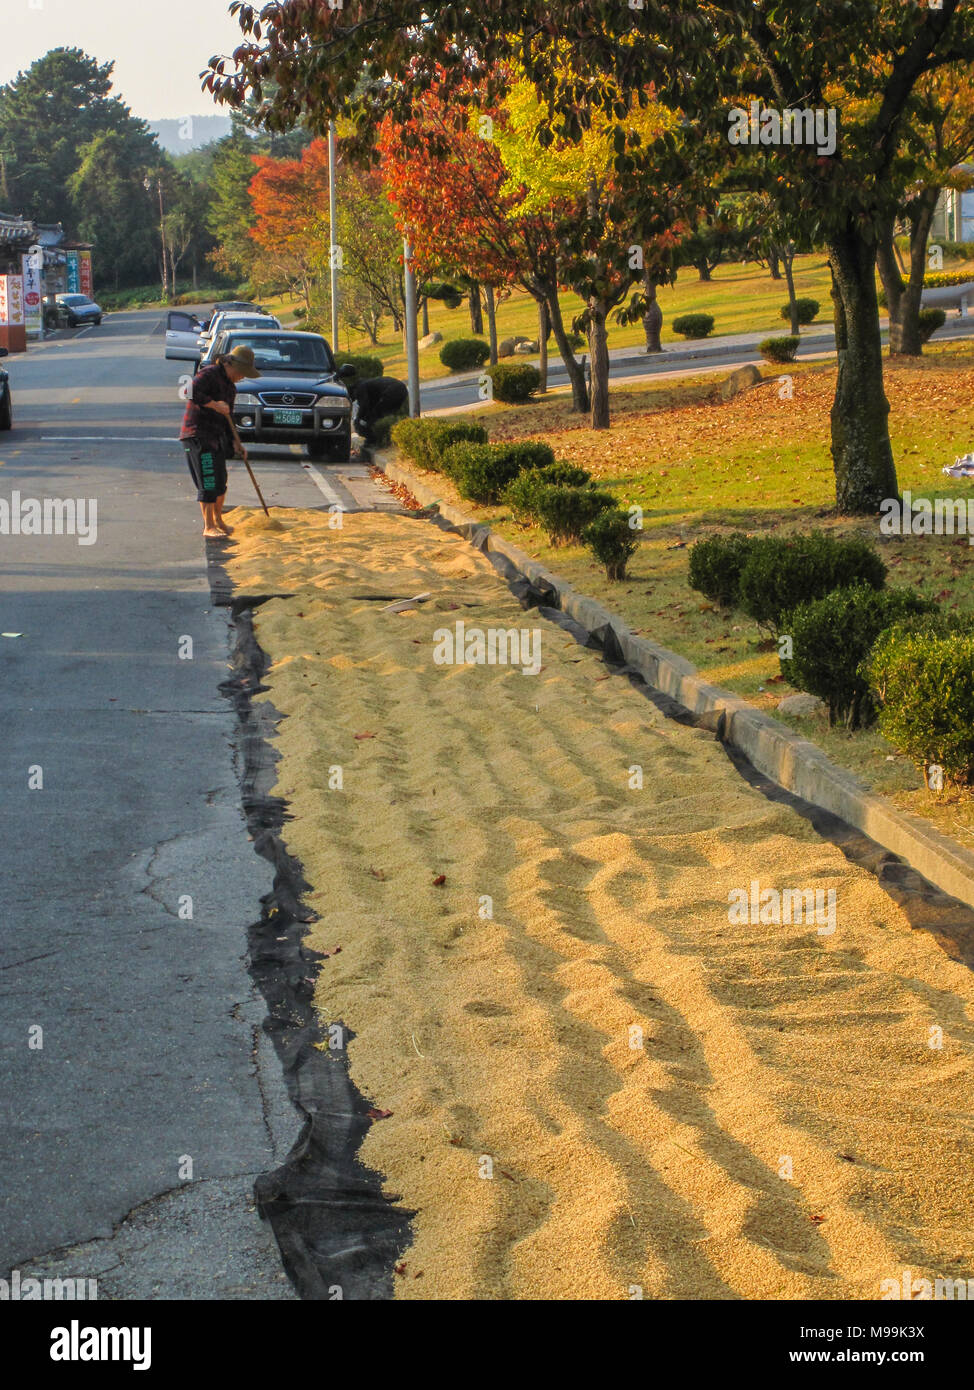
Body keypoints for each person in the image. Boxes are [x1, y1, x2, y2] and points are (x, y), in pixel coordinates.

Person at [180, 344, 260, 537]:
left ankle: (218, 521)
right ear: (231, 365)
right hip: (197, 434)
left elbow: (228, 418)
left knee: (220, 481)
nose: (242, 377)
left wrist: (236, 443)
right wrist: (215, 405)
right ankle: (208, 526)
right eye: (242, 373)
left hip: (215, 436)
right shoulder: (210, 374)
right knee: (208, 481)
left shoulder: (231, 388)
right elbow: (187, 392)